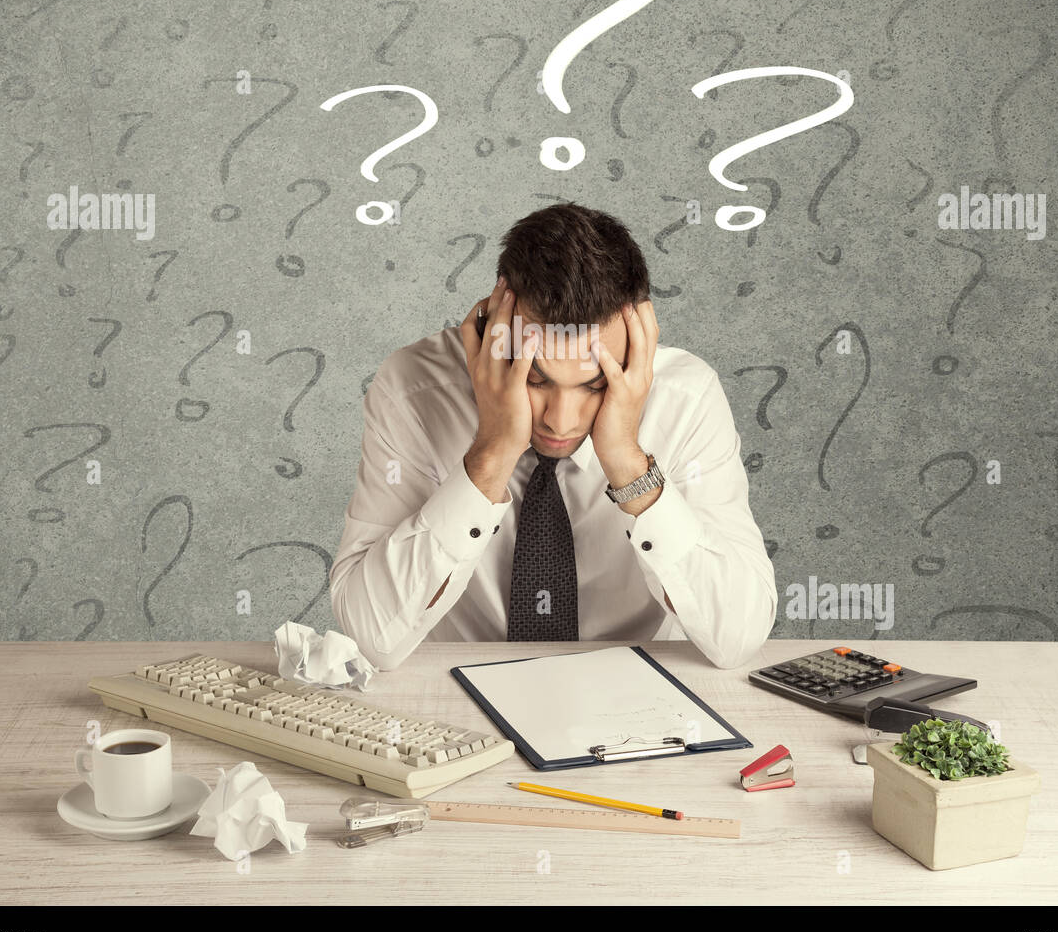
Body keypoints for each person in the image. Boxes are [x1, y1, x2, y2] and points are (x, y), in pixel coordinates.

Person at [328, 202, 777, 669]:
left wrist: (628, 462)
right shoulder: (414, 388)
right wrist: (492, 453)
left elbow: (738, 637)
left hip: (632, 699)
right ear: (492, 330)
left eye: (595, 385)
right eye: (536, 379)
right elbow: (369, 635)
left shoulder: (686, 398)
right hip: (457, 698)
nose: (560, 422)